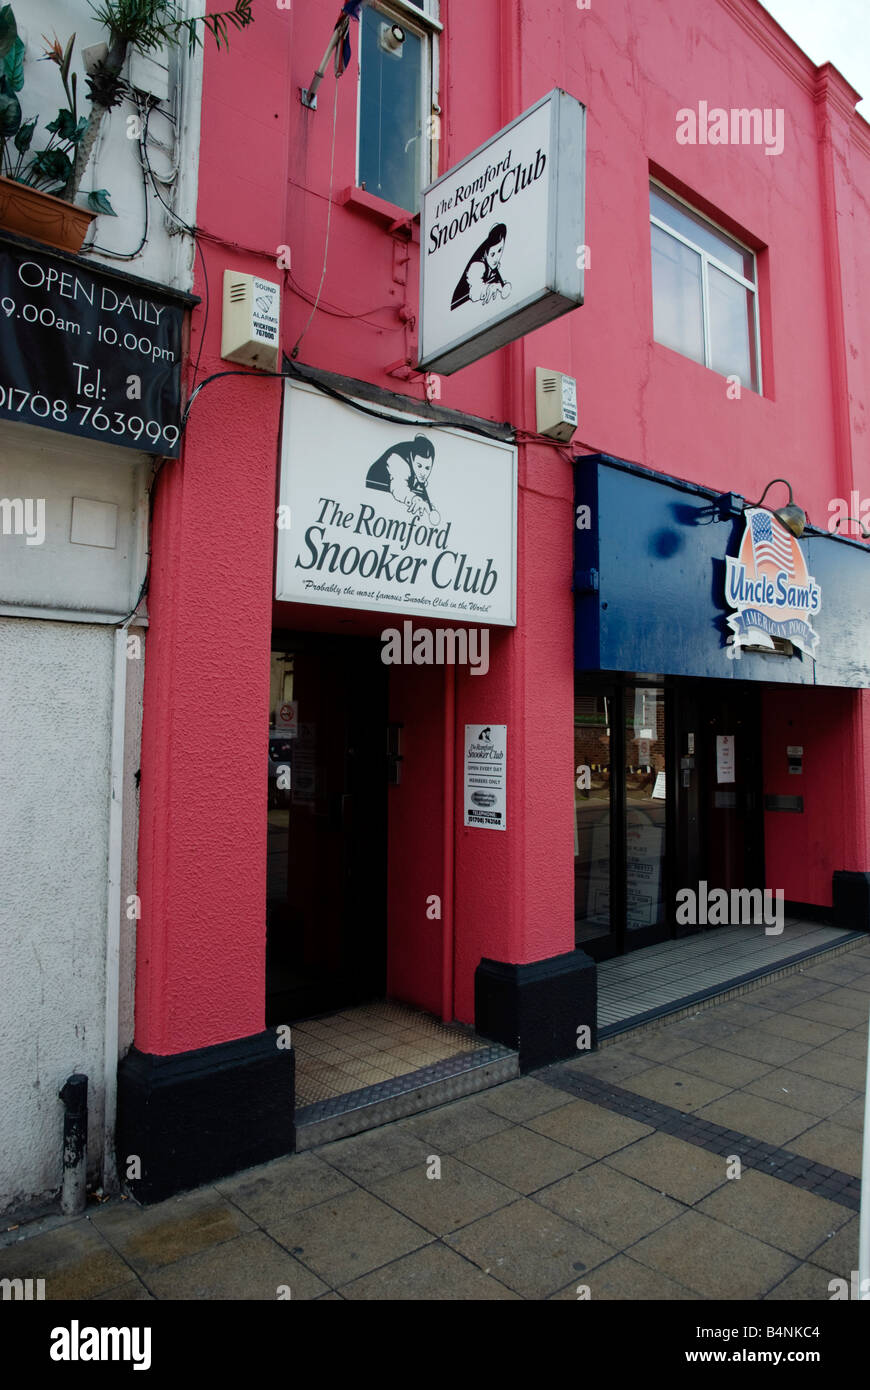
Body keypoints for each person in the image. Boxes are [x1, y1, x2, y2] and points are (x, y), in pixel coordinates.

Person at [365, 434, 440, 524]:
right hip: (375, 491)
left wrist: (427, 505)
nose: (423, 473)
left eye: (427, 468)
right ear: (412, 458)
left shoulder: (419, 475)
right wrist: (415, 500)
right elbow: (399, 487)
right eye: (419, 466)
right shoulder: (397, 459)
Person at [451, 223, 513, 310]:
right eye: (492, 254)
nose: (496, 258)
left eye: (500, 250)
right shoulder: (477, 265)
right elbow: (474, 292)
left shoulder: (493, 264)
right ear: (486, 253)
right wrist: (492, 287)